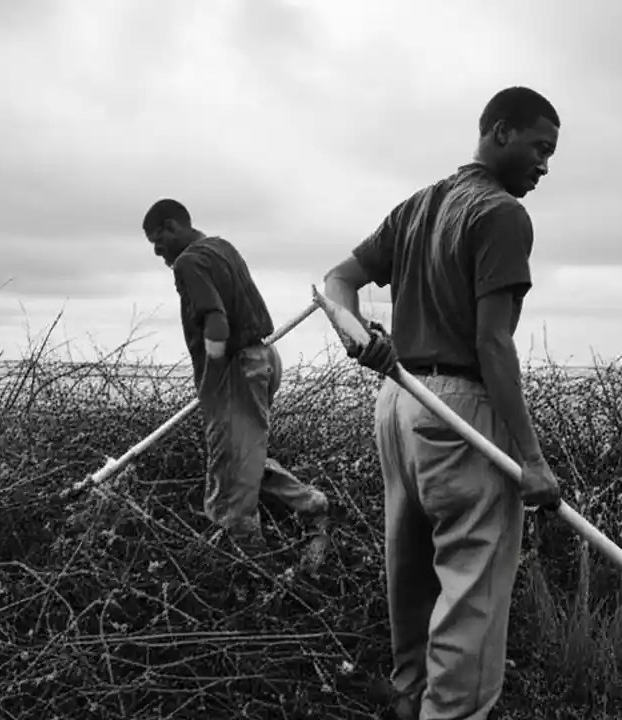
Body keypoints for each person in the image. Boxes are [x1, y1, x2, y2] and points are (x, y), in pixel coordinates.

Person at [322, 86, 564, 720]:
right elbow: (493, 343)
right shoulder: (503, 214)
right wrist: (533, 459)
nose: (544, 165)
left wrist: (358, 336)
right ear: (500, 131)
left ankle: (409, 697)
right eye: (540, 147)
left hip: (399, 403)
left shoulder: (419, 205)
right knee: (472, 588)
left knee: (410, 569)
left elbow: (337, 281)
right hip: (459, 410)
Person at [141, 199, 329, 558]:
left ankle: (250, 562)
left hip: (236, 368)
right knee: (243, 454)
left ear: (171, 226)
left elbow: (216, 323)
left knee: (232, 473)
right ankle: (310, 505)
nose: (157, 251)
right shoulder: (223, 247)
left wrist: (212, 380)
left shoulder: (188, 261)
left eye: (156, 241)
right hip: (263, 358)